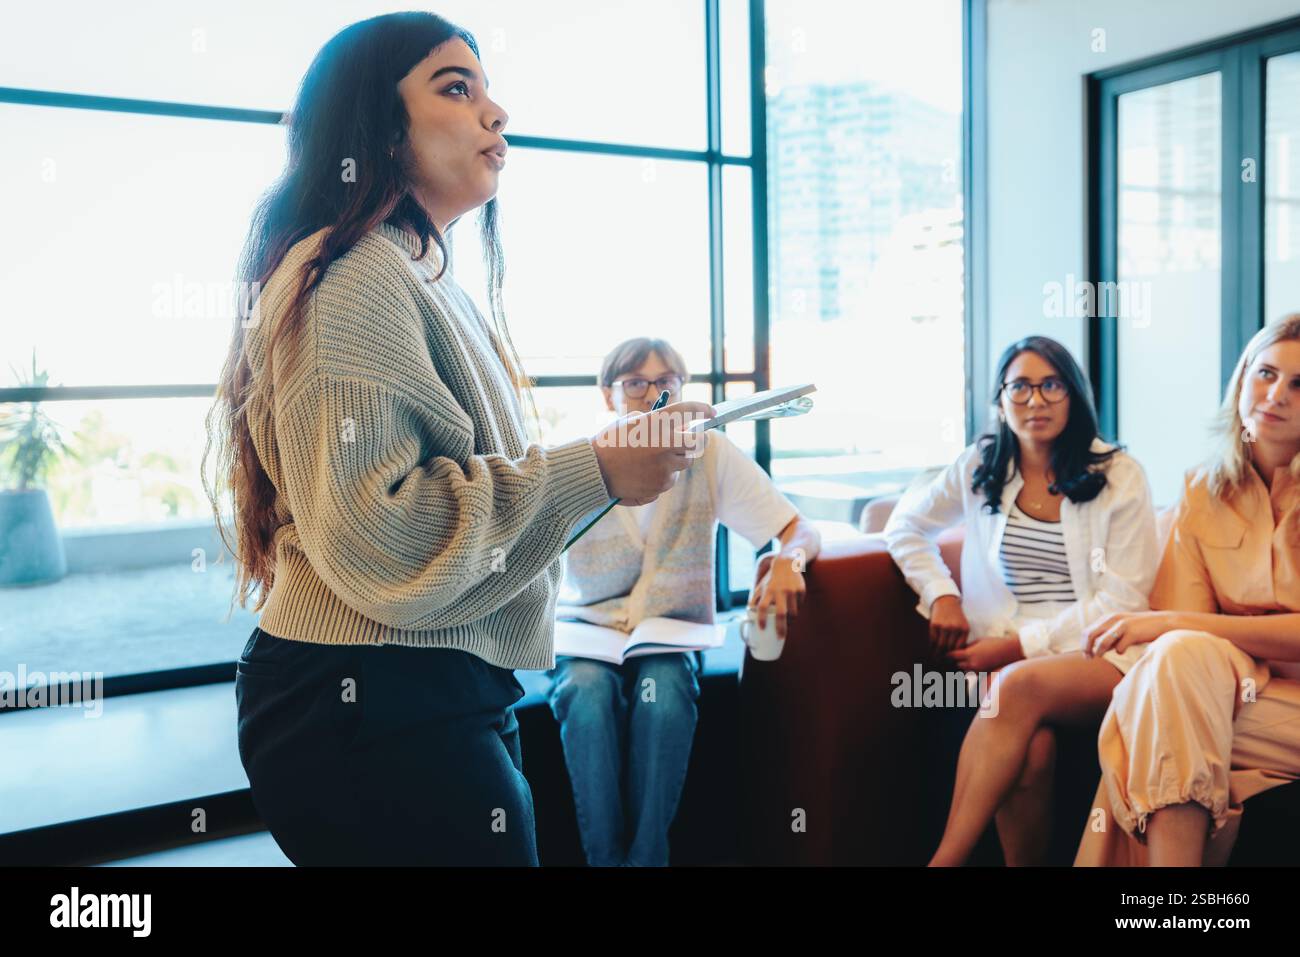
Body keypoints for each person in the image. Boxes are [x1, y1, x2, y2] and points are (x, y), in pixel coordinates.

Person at [203, 12, 713, 866]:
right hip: (370, 698)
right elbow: (384, 534)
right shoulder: (356, 273)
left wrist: (605, 468)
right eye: (455, 87)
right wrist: (598, 468)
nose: (495, 112)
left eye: (486, 88)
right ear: (378, 128)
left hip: (415, 688)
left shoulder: (412, 269)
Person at [882, 335, 1160, 865]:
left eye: (1051, 385)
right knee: (1033, 754)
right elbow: (906, 524)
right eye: (1020, 388)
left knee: (1015, 687)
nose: (1036, 401)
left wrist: (1015, 649)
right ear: (1001, 400)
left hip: (1100, 654)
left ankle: (943, 862)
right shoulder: (981, 466)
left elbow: (1122, 598)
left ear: (1074, 394)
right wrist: (942, 594)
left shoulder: (1119, 475)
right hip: (1004, 667)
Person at [547, 336, 821, 866]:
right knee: (585, 694)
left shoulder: (708, 452)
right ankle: (605, 859)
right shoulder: (577, 459)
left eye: (665, 383)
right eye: (635, 384)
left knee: (664, 692)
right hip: (586, 628)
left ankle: (649, 857)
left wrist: (790, 561)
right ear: (608, 395)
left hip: (670, 631)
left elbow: (795, 527)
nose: (653, 394)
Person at [1076, 315, 1300, 867]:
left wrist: (1171, 624)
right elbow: (1191, 643)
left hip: (1267, 709)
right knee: (1170, 678)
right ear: (1243, 377)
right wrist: (1178, 629)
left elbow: (1185, 627)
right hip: (1245, 698)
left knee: (1149, 713)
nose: (1275, 395)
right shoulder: (1202, 489)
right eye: (1266, 373)